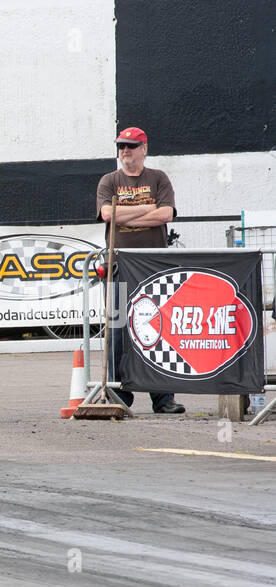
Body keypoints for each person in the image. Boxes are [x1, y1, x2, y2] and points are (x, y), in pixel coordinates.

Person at [96, 126, 184, 413]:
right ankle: (120, 397)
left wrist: (126, 216)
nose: (125, 151)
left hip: (155, 268)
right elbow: (109, 215)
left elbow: (166, 214)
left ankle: (163, 399)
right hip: (119, 266)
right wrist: (148, 210)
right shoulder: (109, 181)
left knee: (158, 330)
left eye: (131, 146)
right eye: (121, 146)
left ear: (144, 148)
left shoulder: (158, 178)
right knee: (119, 332)